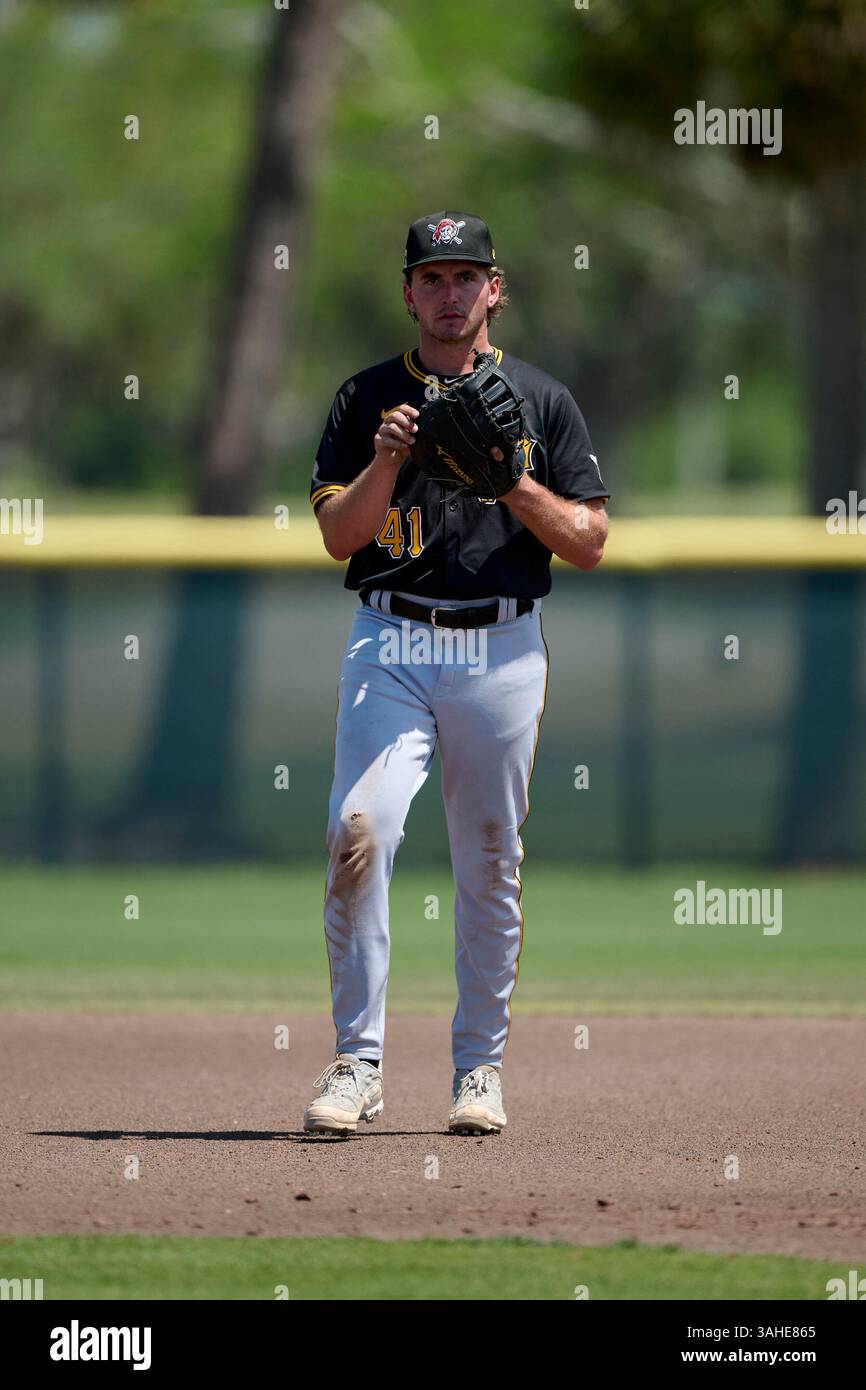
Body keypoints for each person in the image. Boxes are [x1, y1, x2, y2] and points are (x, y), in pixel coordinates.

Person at [304, 211, 609, 1136]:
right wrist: (390, 457)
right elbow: (336, 537)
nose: (448, 293)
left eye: (464, 276)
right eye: (430, 277)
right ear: (408, 292)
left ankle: (479, 1072)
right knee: (359, 830)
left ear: (495, 287)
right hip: (391, 641)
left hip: (501, 646)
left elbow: (590, 543)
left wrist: (510, 481)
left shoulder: (542, 400)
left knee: (489, 862)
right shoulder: (365, 400)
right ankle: (357, 1062)